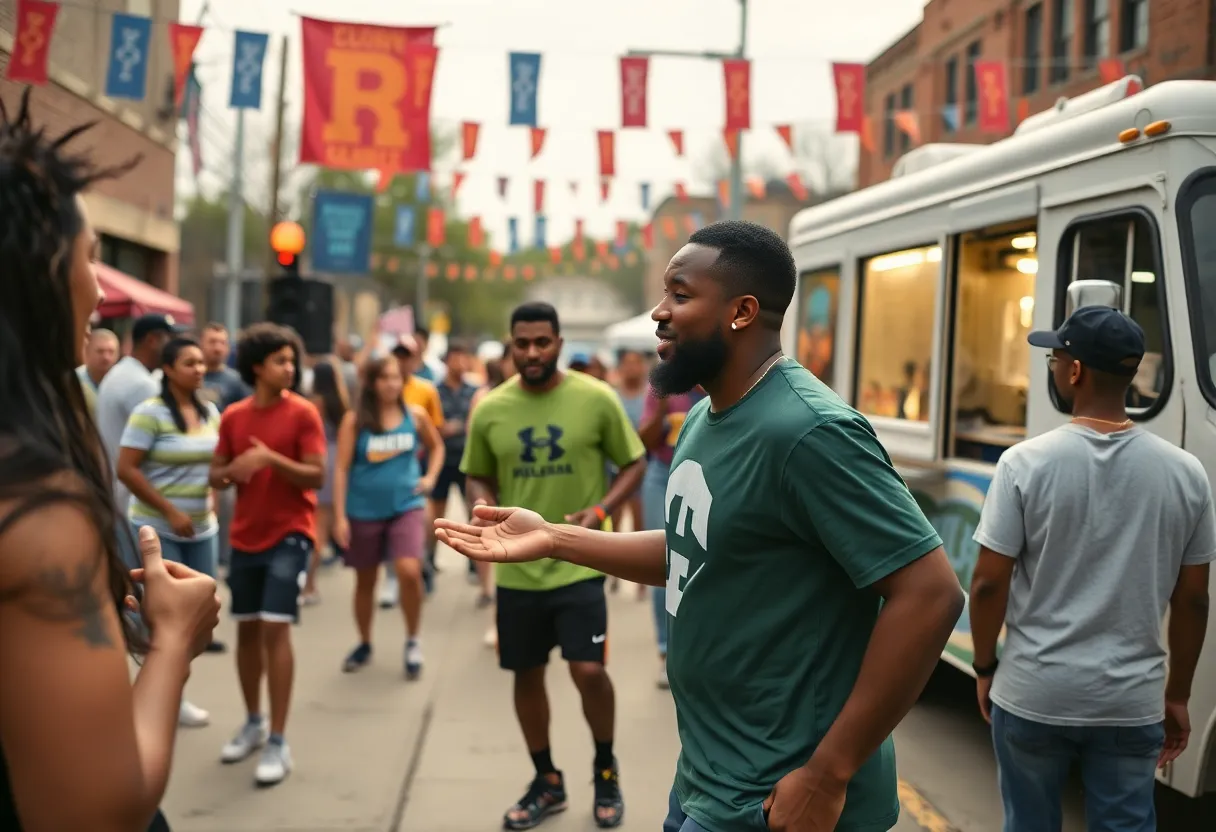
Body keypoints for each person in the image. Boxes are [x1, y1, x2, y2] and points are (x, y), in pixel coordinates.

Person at [439, 221, 965, 832]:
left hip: (780, 797)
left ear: (742, 312)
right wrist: (556, 538)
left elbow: (930, 594)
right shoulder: (703, 418)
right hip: (706, 778)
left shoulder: (809, 430)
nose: (659, 314)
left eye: (680, 295)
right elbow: (694, 549)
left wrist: (828, 774)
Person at [0, 87, 220, 831]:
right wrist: (171, 645)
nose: (98, 290)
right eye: (89, 258)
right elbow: (95, 812)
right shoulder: (33, 510)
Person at [969, 305, 1215, 832]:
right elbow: (1193, 599)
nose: (1053, 369)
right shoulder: (1186, 474)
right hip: (1132, 702)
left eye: (1054, 359)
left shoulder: (1024, 464)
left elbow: (989, 583)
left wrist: (986, 666)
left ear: (1074, 371)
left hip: (1034, 692)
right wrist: (1177, 694)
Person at [460, 301, 646, 830]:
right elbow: (477, 472)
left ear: (560, 343)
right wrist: (482, 509)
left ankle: (605, 769)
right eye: (523, 343)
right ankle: (547, 780)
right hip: (517, 569)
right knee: (526, 672)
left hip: (579, 559)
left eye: (543, 342)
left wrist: (603, 509)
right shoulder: (491, 408)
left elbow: (632, 461)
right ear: (510, 345)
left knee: (588, 670)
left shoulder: (596, 398)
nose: (533, 352)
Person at [209, 323, 326, 787]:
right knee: (249, 630)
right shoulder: (233, 416)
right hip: (244, 537)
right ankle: (253, 721)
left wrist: (270, 460)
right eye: (280, 361)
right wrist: (234, 470)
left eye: (292, 360)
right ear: (257, 367)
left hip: (291, 534)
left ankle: (278, 739)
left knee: (277, 627)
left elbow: (316, 477)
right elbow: (217, 474)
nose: (290, 368)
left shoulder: (303, 415)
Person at [117, 336, 223, 726]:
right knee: (164, 620)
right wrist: (170, 510)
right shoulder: (150, 413)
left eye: (201, 363)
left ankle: (174, 693)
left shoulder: (210, 411)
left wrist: (214, 491)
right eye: (189, 363)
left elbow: (213, 463)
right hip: (158, 530)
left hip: (202, 530)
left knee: (195, 617)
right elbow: (125, 469)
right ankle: (165, 701)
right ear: (168, 369)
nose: (199, 369)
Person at [332, 356, 444, 677]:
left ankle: (412, 639)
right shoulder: (356, 421)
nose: (392, 384)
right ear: (372, 383)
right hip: (363, 510)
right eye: (384, 378)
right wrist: (339, 518)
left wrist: (430, 478)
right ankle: (364, 642)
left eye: (396, 378)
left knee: (409, 571)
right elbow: (340, 469)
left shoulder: (416, 415)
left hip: (406, 506)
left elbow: (437, 448)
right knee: (366, 581)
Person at [636, 382, 704, 689]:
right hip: (663, 473)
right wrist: (662, 407)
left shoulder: (723, 377)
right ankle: (666, 653)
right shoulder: (662, 386)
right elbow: (644, 442)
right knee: (667, 562)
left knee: (703, 560)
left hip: (706, 472)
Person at [97, 313, 182, 537]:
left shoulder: (123, 372)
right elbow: (166, 444)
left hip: (120, 494)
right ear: (153, 340)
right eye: (169, 339)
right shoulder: (141, 384)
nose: (172, 347)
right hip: (135, 501)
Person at [383, 335, 444, 606]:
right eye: (397, 355)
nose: (401, 360)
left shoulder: (426, 390)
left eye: (406, 355)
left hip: (414, 464)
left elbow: (435, 434)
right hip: (383, 465)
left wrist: (430, 474)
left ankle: (423, 562)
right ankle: (393, 575)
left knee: (426, 521)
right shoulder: (378, 390)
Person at [432, 341, 483, 602]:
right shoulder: (435, 390)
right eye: (455, 357)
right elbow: (432, 423)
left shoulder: (474, 391)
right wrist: (442, 429)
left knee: (472, 511)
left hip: (466, 459)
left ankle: (475, 562)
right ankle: (428, 564)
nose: (459, 362)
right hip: (442, 459)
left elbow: (474, 421)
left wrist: (460, 426)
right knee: (436, 513)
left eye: (463, 357)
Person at [303, 358, 350, 603]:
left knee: (313, 528)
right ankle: (309, 585)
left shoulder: (311, 403)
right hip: (334, 462)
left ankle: (307, 584)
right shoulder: (340, 404)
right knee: (321, 529)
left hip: (315, 459)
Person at [608, 348, 650, 599]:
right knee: (613, 520)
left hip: (640, 466)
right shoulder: (612, 396)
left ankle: (641, 579)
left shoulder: (649, 395)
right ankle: (613, 571)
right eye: (628, 363)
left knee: (639, 522)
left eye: (637, 363)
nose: (633, 368)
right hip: (614, 467)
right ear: (621, 367)